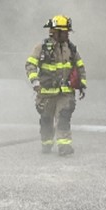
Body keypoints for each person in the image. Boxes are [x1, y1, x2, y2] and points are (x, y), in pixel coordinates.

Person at [25, 14, 87, 156]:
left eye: (67, 32)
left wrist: (82, 84)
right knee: (46, 120)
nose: (67, 34)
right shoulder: (41, 48)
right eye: (64, 32)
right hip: (46, 93)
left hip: (65, 93)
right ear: (55, 32)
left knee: (64, 117)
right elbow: (30, 64)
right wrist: (35, 82)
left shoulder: (71, 49)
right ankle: (46, 144)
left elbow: (79, 66)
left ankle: (64, 146)